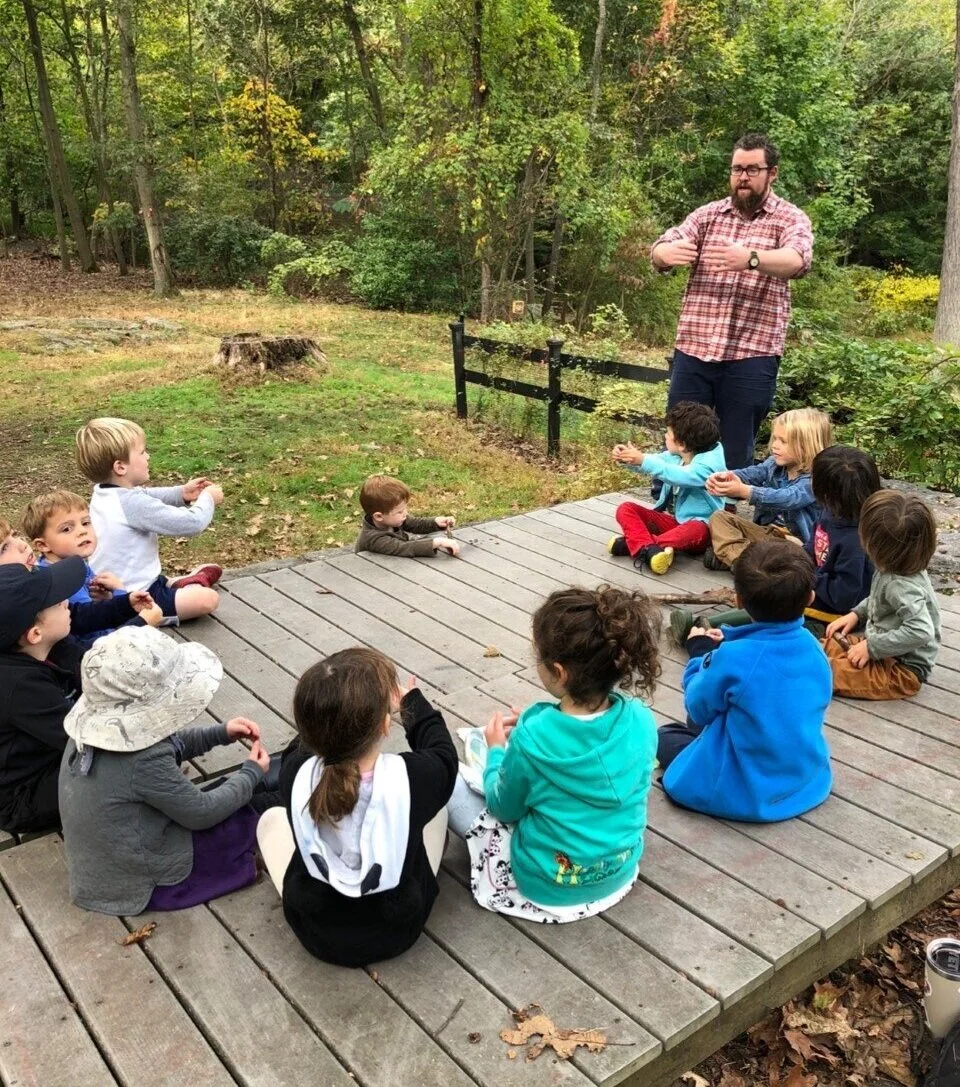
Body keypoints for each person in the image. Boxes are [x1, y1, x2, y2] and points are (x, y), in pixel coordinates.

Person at [446, 586, 660, 921]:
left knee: (447, 778)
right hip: (618, 874)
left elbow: (504, 807)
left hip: (548, 888)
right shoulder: (642, 719)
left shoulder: (533, 737)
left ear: (558, 673)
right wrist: (540, 721)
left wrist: (497, 752)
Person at [256, 647, 458, 966]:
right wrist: (413, 704)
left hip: (314, 932)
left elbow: (308, 745)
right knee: (438, 812)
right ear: (385, 724)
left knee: (271, 818)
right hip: (397, 931)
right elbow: (444, 755)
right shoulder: (412, 778)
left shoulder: (296, 773)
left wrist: (327, 715)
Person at [58, 626, 270, 914]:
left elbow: (171, 744)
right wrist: (251, 773)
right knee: (248, 817)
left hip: (105, 868)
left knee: (235, 798)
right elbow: (202, 813)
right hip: (139, 882)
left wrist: (221, 733)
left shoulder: (92, 735)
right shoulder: (142, 759)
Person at [652, 133, 814, 471]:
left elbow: (797, 259)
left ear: (772, 173)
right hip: (695, 348)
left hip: (752, 354)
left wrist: (752, 259)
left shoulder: (789, 218)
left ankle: (724, 515)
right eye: (737, 168)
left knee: (736, 444)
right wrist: (663, 254)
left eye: (752, 169)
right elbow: (665, 244)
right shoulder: (708, 215)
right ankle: (668, 503)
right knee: (680, 435)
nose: (743, 176)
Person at [658, 540, 832, 822]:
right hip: (803, 778)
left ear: (738, 600)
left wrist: (700, 653)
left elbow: (697, 707)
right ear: (810, 598)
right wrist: (728, 641)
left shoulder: (733, 659)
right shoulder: (815, 649)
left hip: (746, 790)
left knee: (663, 738)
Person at [669, 443, 881, 648]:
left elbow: (844, 594)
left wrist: (801, 581)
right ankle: (704, 626)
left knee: (773, 611)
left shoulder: (856, 541)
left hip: (830, 609)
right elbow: (812, 547)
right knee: (768, 592)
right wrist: (794, 565)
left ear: (827, 493)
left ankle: (709, 631)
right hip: (807, 582)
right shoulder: (831, 513)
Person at [0, 557, 154, 835]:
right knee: (129, 767)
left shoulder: (50, 644)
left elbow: (97, 668)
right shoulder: (20, 687)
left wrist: (123, 605)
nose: (67, 601)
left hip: (52, 751)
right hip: (25, 794)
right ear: (35, 633)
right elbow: (85, 738)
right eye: (58, 601)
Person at [75, 417, 224, 621]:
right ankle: (183, 589)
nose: (148, 456)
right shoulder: (131, 503)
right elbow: (191, 523)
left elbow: (143, 495)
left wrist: (181, 493)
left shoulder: (104, 493)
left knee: (172, 588)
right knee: (207, 600)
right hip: (135, 596)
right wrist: (208, 499)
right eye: (142, 452)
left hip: (130, 584)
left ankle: (177, 584)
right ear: (120, 467)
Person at [824, 491, 940, 700]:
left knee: (827, 674)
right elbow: (881, 599)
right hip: (881, 644)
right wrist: (857, 614)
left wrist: (871, 647)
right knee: (826, 645)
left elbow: (921, 631)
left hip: (902, 669)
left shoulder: (902, 585)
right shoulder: (895, 563)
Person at [23, 489, 162, 643]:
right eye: (67, 529)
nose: (82, 531)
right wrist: (120, 593)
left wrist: (106, 597)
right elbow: (94, 622)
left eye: (85, 523)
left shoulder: (72, 563)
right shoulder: (63, 582)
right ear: (43, 545)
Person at [702, 407, 832, 570]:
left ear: (806, 446)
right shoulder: (774, 463)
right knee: (719, 517)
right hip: (766, 533)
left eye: (783, 441)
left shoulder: (814, 480)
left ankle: (737, 559)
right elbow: (755, 472)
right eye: (775, 438)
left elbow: (788, 498)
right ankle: (744, 561)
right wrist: (728, 476)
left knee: (783, 553)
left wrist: (745, 491)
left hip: (795, 543)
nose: (775, 446)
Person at [608, 401, 725, 574]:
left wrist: (644, 460)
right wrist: (628, 459)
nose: (665, 436)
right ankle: (650, 549)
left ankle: (637, 544)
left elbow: (681, 476)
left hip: (704, 530)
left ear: (683, 443)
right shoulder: (676, 454)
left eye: (668, 433)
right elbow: (653, 461)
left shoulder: (709, 465)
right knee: (625, 509)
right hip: (674, 522)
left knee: (695, 529)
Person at [355, 475, 459, 557]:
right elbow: (404, 548)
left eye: (405, 508)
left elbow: (414, 523)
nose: (405, 513)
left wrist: (435, 522)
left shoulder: (391, 520)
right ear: (379, 516)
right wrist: (437, 542)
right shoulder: (373, 539)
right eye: (400, 511)